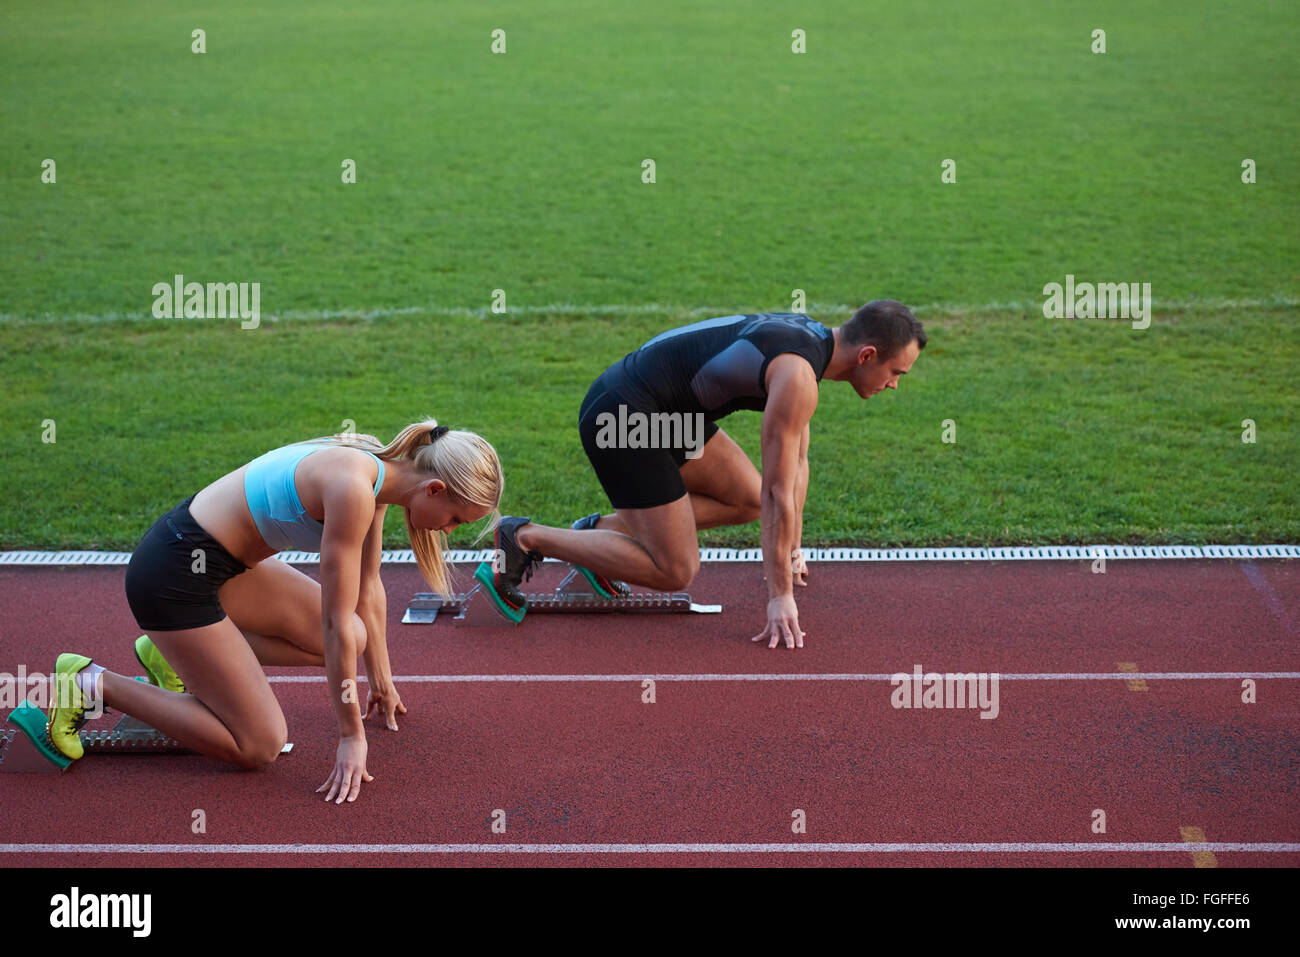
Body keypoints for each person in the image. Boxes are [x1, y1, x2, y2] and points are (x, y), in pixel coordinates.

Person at [44, 420, 502, 803]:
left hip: (221, 567)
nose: (450, 530)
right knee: (258, 745)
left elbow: (367, 586)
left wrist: (380, 681)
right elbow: (334, 618)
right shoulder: (353, 487)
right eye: (456, 519)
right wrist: (350, 737)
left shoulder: (380, 476)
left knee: (356, 637)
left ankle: (176, 657)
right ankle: (91, 683)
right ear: (435, 488)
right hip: (172, 577)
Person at [487, 301, 925, 650]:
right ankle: (525, 537)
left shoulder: (811, 343)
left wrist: (792, 549)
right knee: (675, 570)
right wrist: (779, 596)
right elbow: (780, 493)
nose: (894, 384)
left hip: (663, 413)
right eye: (896, 372)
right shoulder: (797, 376)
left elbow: (796, 466)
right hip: (623, 417)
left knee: (747, 499)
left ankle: (598, 538)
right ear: (867, 355)